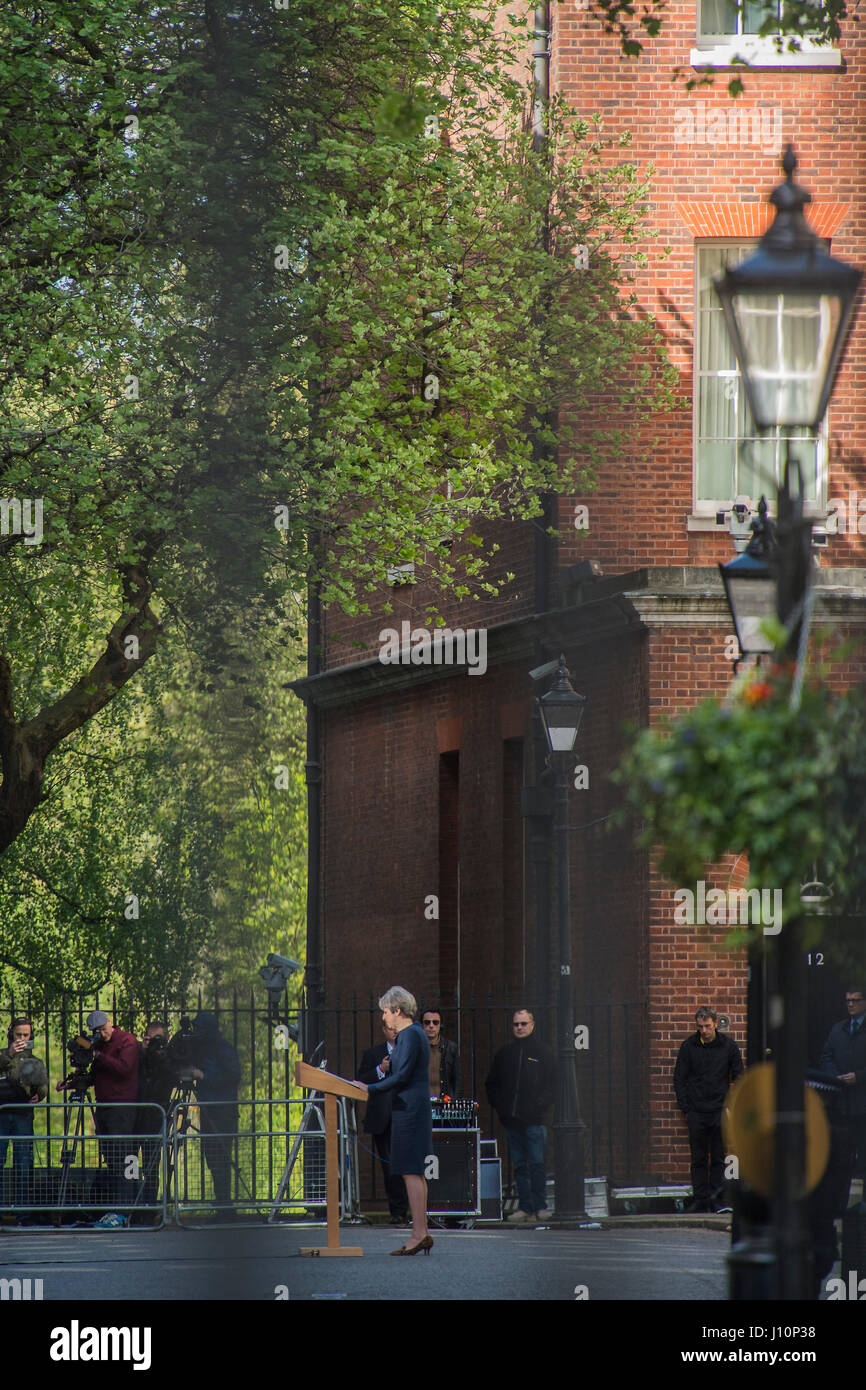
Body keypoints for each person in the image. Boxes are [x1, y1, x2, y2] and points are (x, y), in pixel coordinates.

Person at [354, 986, 433, 1255]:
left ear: (397, 1011)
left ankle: (418, 1233)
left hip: (408, 1109)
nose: (383, 1017)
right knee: (415, 1172)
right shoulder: (414, 1035)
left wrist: (369, 1088)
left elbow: (401, 1076)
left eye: (385, 1012)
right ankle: (421, 1232)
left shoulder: (409, 1036)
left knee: (410, 1171)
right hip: (412, 1107)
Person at [485, 1008, 556, 1224]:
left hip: (535, 1120)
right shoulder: (505, 1053)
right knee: (521, 1166)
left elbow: (553, 1084)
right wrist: (503, 1110)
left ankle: (540, 1207)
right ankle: (525, 1207)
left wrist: (539, 1107)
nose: (519, 1028)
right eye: (516, 1024)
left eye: (523, 1024)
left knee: (536, 1164)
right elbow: (491, 1084)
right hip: (512, 1121)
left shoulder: (543, 1052)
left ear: (532, 1025)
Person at [674, 1006, 744, 1214]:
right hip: (697, 1111)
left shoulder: (728, 1047)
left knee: (718, 1157)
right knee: (697, 1158)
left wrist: (731, 1106)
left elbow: (739, 1077)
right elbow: (679, 1079)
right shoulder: (689, 1046)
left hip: (719, 1110)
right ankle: (700, 1200)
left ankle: (717, 1200)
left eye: (706, 1026)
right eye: (700, 1026)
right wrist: (687, 1109)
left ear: (715, 1023)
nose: (703, 1030)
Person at [78, 1010, 139, 1221]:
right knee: (112, 1158)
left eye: (104, 1030)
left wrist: (99, 1056)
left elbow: (125, 1068)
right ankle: (114, 1207)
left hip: (122, 1108)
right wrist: (72, 1083)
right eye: (98, 1032)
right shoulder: (98, 1045)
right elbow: (95, 1075)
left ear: (110, 1023)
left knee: (126, 1158)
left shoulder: (127, 1041)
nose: (102, 1035)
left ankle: (126, 1209)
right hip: (104, 1107)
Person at [818, 986, 866, 1213]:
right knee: (841, 1158)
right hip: (842, 1104)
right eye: (848, 1000)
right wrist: (834, 1075)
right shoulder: (838, 1030)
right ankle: (839, 1207)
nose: (850, 1004)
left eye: (855, 1001)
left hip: (862, 1101)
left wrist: (859, 1076)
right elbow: (826, 1056)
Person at [357, 1020, 409, 1225]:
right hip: (383, 1119)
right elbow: (361, 1081)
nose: (394, 1031)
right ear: (383, 1030)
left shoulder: (410, 1051)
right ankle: (398, 1212)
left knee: (410, 1165)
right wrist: (381, 1068)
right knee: (390, 1167)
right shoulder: (373, 1053)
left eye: (397, 1028)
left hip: (406, 1115)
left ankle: (418, 1211)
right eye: (390, 1028)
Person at [189, 1011, 240, 1209]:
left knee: (221, 1158)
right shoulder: (204, 1050)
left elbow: (233, 1076)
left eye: (199, 1029)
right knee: (212, 1157)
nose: (196, 1033)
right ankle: (221, 1203)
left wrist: (203, 1076)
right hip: (209, 1109)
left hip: (223, 1112)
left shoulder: (223, 1049)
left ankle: (225, 1206)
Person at [0, 1018, 48, 1218]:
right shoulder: (2, 1055)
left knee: (23, 1162)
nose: (21, 1038)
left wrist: (40, 1094)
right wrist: (10, 1053)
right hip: (2, 1114)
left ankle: (23, 1212)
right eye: (18, 1034)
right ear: (11, 1035)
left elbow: (42, 1084)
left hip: (23, 1115)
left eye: (25, 1035)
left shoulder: (34, 1060)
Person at [135, 1021, 178, 1220]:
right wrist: (142, 1052)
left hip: (155, 1116)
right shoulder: (138, 1055)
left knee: (152, 1164)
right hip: (135, 1117)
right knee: (131, 1161)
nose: (154, 1044)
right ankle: (132, 1203)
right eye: (150, 1039)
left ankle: (150, 1206)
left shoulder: (169, 1058)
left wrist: (162, 1055)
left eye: (158, 1039)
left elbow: (171, 1075)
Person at [420, 1008, 461, 1100]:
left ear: (440, 1025)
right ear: (422, 1025)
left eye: (435, 1022)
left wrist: (453, 1101)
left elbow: (457, 1080)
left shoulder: (451, 1048)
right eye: (427, 1022)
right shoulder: (415, 1047)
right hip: (421, 1104)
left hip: (444, 1104)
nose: (431, 1026)